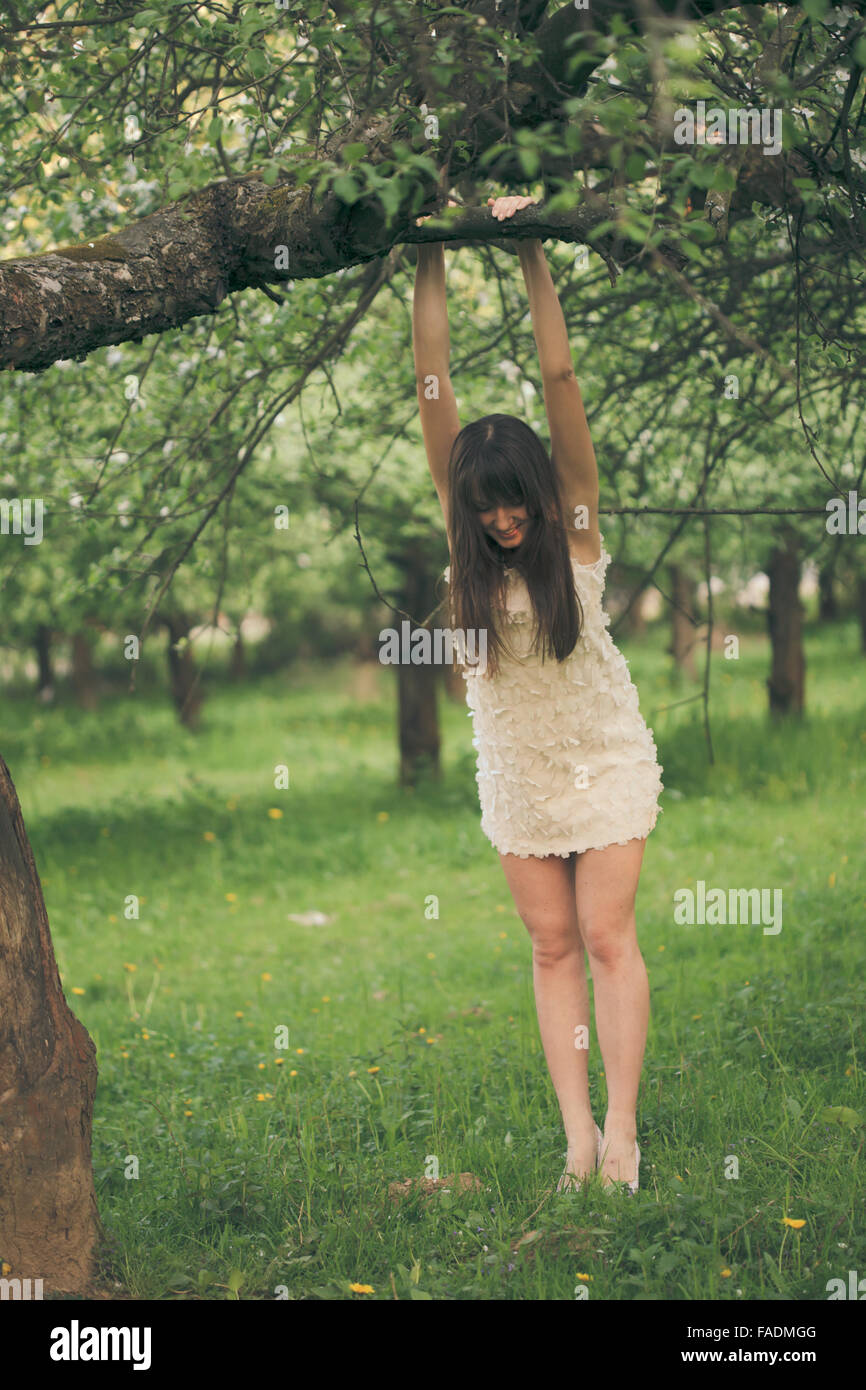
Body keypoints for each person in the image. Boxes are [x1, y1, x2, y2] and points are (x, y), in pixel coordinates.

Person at [412, 194, 664, 1194]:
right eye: (488, 507)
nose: (505, 518)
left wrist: (530, 246)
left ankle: (624, 1134)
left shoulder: (577, 526)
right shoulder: (463, 543)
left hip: (603, 757)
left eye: (514, 498)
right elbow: (430, 380)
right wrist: (426, 248)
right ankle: (572, 1137)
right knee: (551, 944)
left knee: (606, 937)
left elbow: (557, 375)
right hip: (517, 772)